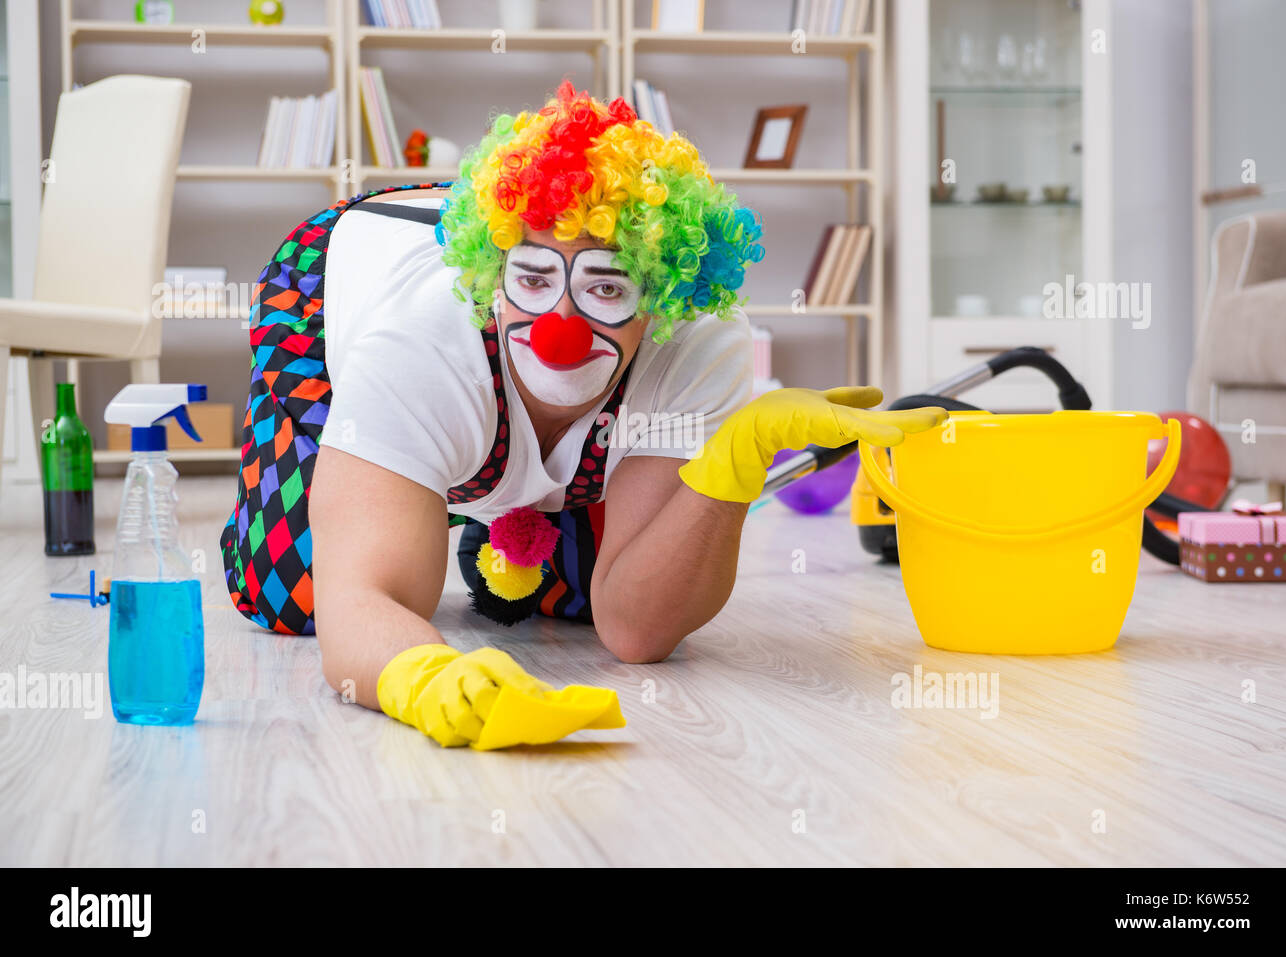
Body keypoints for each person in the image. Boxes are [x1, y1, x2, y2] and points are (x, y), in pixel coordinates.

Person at [220, 81, 945, 749]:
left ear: (662, 300)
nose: (556, 326)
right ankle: (454, 499)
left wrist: (734, 461)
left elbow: (636, 629)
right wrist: (429, 678)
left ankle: (499, 519)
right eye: (532, 280)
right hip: (325, 281)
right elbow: (358, 608)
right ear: (495, 280)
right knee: (294, 594)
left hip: (535, 389)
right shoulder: (420, 338)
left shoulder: (695, 339)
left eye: (605, 289)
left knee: (583, 602)